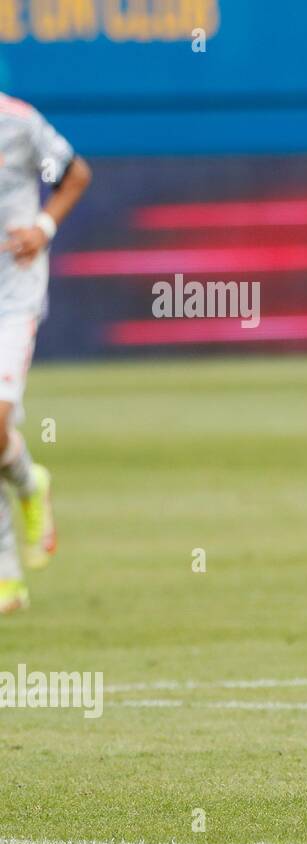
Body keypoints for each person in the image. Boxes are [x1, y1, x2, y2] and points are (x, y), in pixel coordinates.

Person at [0, 92, 93, 614]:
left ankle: (29, 486)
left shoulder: (19, 124)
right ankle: (7, 578)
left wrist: (43, 228)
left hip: (13, 294)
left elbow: (75, 173)